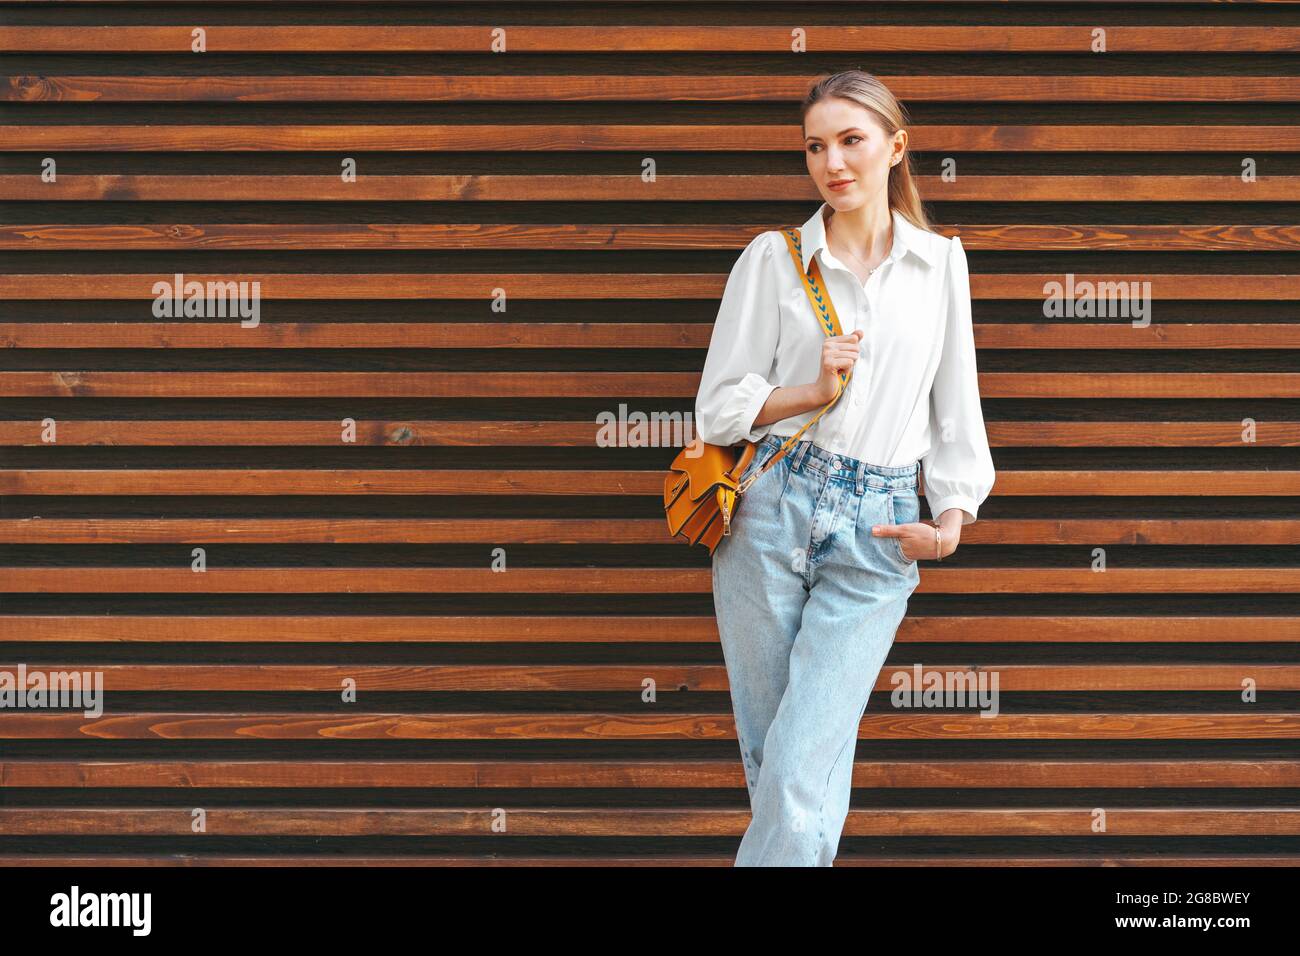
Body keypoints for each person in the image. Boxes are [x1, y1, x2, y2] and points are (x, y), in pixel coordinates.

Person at [694, 70, 996, 866]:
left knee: (799, 767)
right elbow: (718, 408)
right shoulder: (774, 259)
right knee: (779, 767)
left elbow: (956, 408)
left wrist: (951, 523)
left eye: (852, 140)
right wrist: (810, 390)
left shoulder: (941, 266)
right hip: (768, 507)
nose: (833, 162)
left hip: (880, 526)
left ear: (895, 148)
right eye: (815, 146)